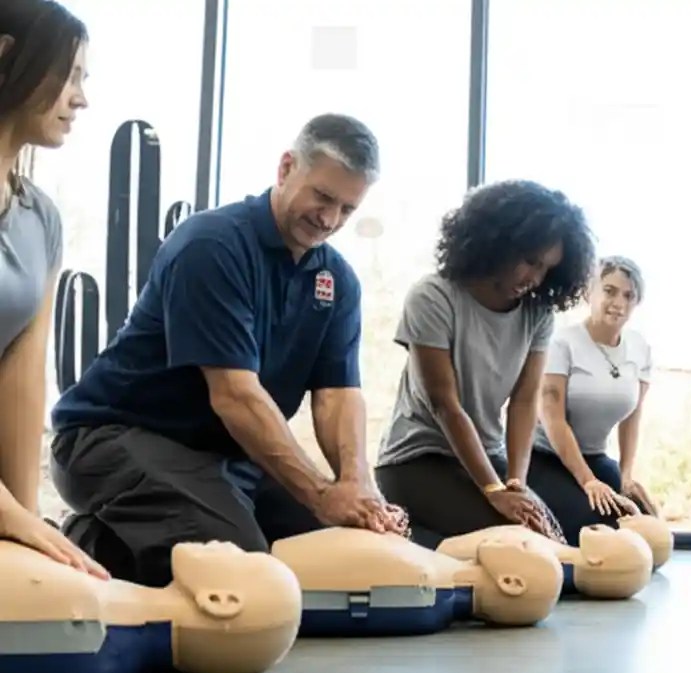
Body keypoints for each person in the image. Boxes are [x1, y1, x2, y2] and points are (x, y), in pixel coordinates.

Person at [49, 113, 399, 587]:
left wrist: (357, 485)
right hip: (112, 439)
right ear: (286, 168)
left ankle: (113, 534)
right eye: (322, 196)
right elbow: (235, 395)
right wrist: (318, 492)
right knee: (245, 573)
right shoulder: (212, 245)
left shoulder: (336, 281)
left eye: (346, 209)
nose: (329, 219)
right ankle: (82, 546)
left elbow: (338, 395)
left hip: (224, 459)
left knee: (350, 553)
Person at [374, 179, 596, 550]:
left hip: (487, 457)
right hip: (416, 459)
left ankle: (421, 538)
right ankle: (402, 533)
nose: (534, 279)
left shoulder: (537, 314)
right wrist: (492, 489)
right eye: (529, 262)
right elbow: (445, 404)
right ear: (498, 242)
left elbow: (525, 403)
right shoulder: (433, 296)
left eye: (545, 269)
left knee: (550, 544)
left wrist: (515, 485)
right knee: (519, 548)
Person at [0, 0, 105, 578]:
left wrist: (25, 526)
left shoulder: (40, 218)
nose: (81, 98)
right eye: (71, 75)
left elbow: (21, 375)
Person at [528, 255, 658, 546]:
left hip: (596, 457)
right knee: (593, 530)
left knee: (642, 527)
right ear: (590, 292)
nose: (619, 303)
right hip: (544, 458)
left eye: (629, 295)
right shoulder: (562, 343)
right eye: (610, 291)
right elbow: (552, 418)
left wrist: (625, 476)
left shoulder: (640, 349)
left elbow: (632, 417)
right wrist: (588, 481)